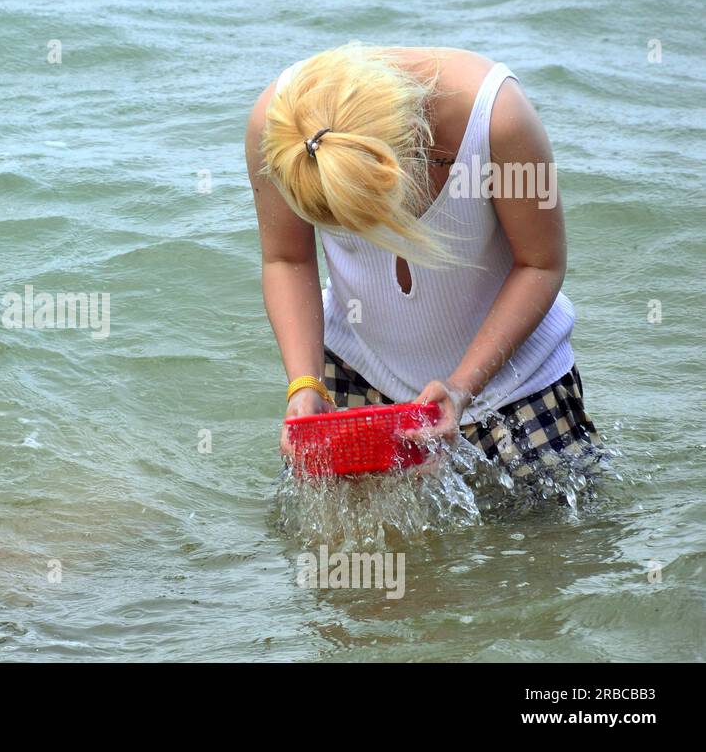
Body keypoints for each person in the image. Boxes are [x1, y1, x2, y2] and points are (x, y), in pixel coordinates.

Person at [245, 44, 604, 487]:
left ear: (405, 158)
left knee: (554, 551)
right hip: (359, 368)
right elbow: (286, 257)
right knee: (345, 552)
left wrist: (459, 387)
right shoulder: (279, 125)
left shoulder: (497, 119)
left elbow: (541, 264)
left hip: (517, 383)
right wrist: (304, 383)